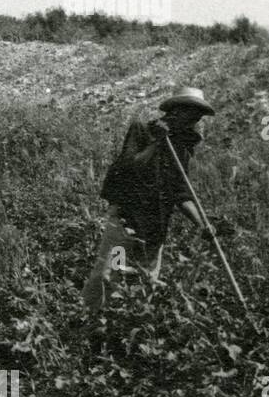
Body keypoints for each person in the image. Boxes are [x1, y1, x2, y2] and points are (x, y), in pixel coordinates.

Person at [83, 87, 219, 313]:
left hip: (156, 228)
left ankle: (129, 332)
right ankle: (88, 325)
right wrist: (157, 143)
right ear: (175, 111)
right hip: (126, 224)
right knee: (107, 277)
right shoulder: (142, 132)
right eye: (192, 114)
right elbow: (129, 168)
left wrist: (203, 225)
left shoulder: (182, 148)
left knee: (146, 283)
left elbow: (181, 193)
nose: (196, 120)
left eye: (199, 116)